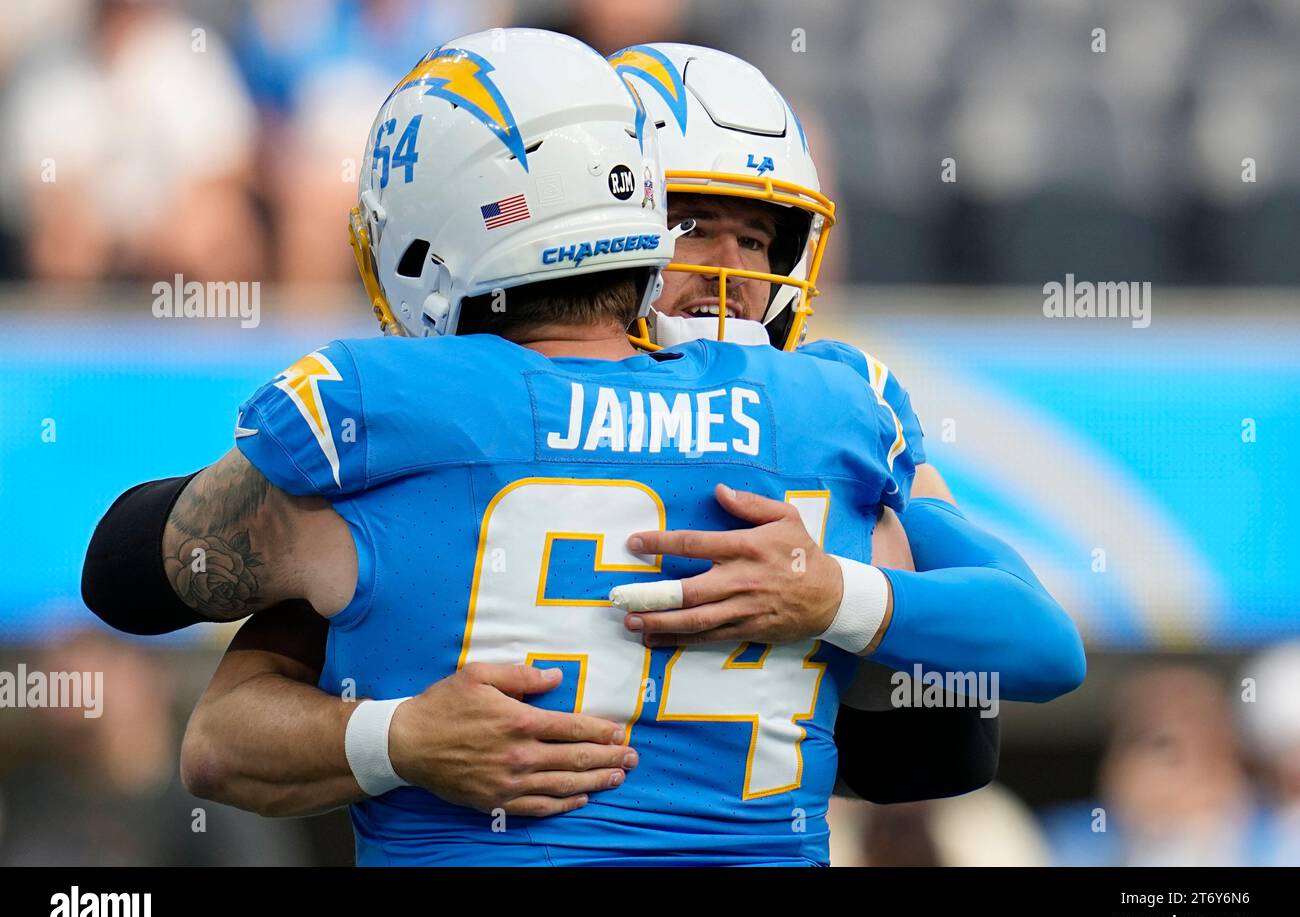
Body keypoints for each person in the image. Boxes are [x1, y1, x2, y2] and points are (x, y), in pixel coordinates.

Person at [84, 28, 933, 866]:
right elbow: (940, 741)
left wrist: (394, 736)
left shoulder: (394, 418)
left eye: (758, 240)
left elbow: (130, 581)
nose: (732, 281)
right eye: (694, 229)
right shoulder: (837, 411)